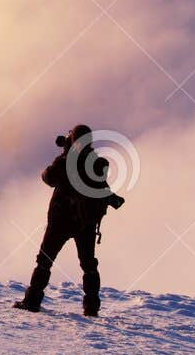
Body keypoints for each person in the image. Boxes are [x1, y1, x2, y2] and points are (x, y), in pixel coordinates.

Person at [13, 124, 125, 317]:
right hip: (86, 224)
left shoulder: (65, 161)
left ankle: (32, 301)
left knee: (45, 260)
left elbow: (48, 178)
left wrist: (66, 154)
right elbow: (100, 187)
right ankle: (91, 308)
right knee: (88, 264)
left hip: (61, 221)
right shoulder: (97, 163)